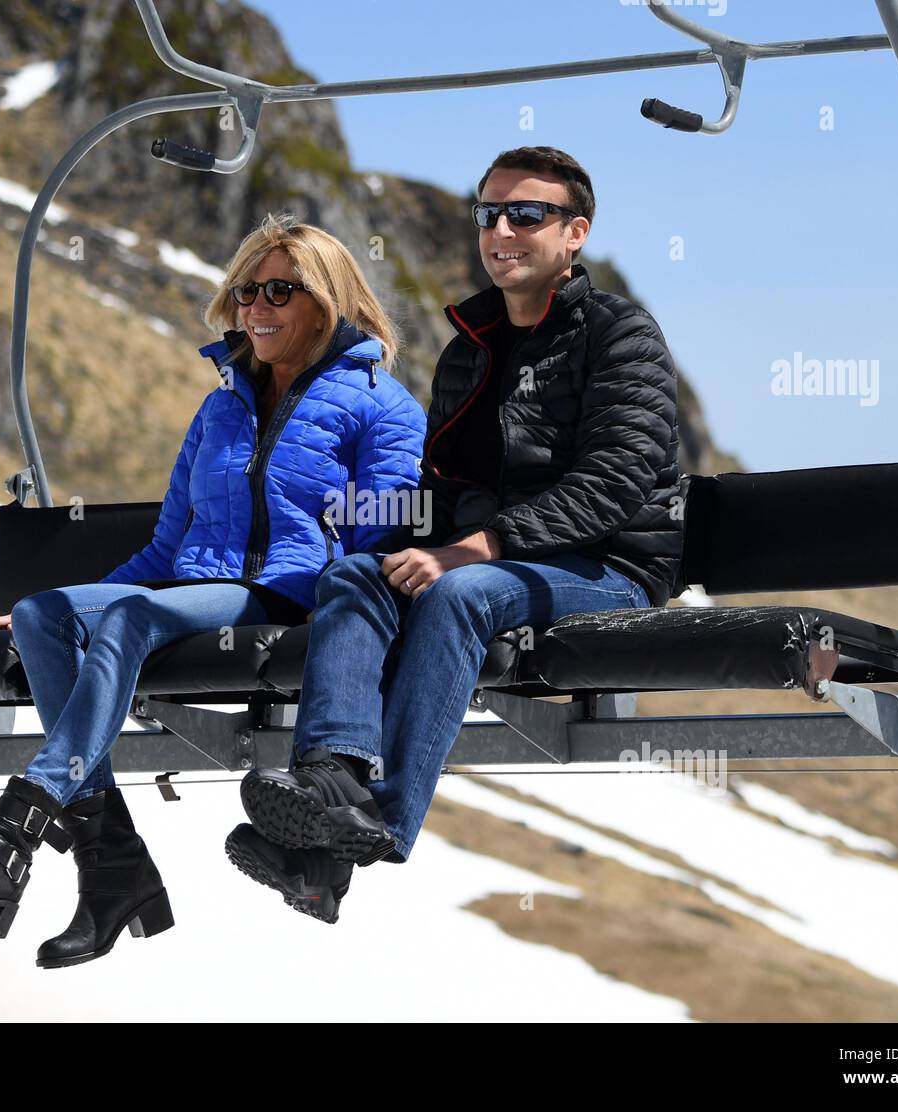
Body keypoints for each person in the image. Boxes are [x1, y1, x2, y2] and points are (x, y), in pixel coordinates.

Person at [0, 213, 426, 965]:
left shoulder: (382, 405)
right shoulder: (221, 406)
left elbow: (381, 534)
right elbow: (165, 548)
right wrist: (65, 612)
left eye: (280, 290)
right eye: (247, 291)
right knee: (40, 612)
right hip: (197, 589)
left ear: (326, 301)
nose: (257, 307)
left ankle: (16, 836)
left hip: (289, 596)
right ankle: (110, 861)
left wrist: (323, 547)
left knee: (122, 621)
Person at [227, 146, 683, 923]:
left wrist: (483, 546)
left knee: (460, 594)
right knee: (356, 578)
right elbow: (438, 492)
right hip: (497, 557)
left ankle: (386, 820)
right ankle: (331, 785)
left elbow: (619, 478)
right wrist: (354, 546)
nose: (502, 228)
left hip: (607, 565)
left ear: (575, 234)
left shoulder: (619, 334)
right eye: (489, 214)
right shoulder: (468, 350)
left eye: (527, 214)